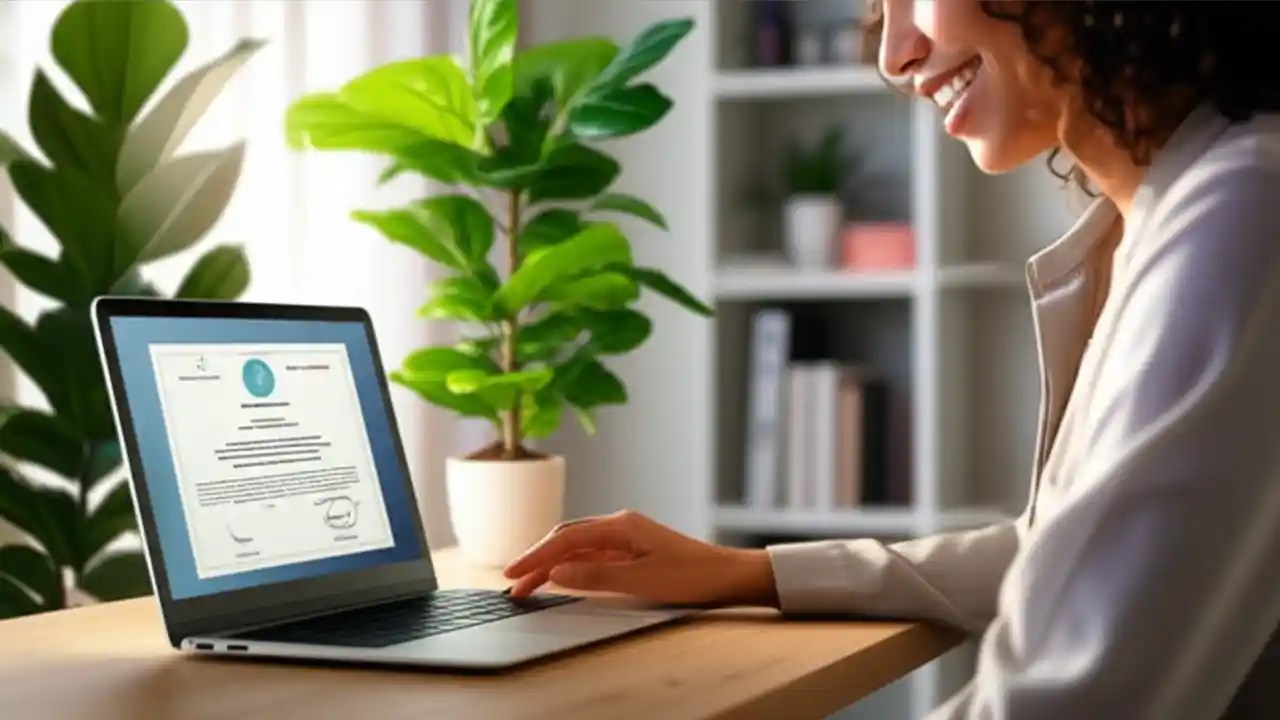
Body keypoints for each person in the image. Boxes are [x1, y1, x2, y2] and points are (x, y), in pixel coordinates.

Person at [503, 2, 1280, 718]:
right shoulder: (1178, 210)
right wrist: (747, 573)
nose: (894, 54)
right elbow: (1069, 552)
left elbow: (1077, 694)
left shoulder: (1240, 216)